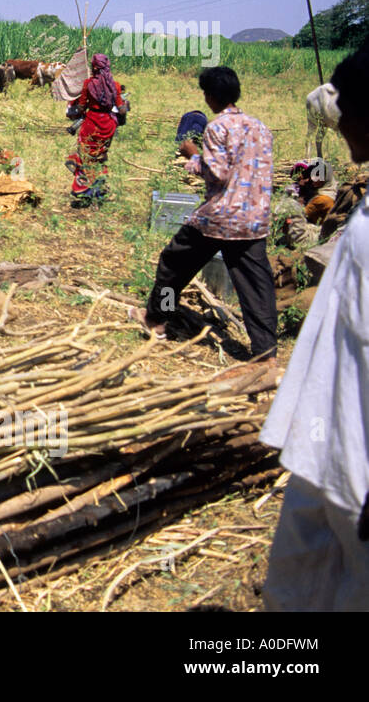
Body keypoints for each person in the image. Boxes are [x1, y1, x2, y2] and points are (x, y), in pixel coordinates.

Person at [260, 43, 369, 610]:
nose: (338, 117)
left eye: (347, 106)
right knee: (296, 589)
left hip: (360, 466)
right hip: (323, 444)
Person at [137, 67, 277, 364]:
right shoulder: (260, 127)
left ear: (210, 96)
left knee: (173, 264)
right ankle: (267, 356)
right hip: (254, 220)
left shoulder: (216, 128)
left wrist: (192, 156)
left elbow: (218, 172)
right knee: (257, 288)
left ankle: (157, 321)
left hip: (220, 217)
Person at [64, 52, 125, 206]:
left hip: (92, 124)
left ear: (94, 67)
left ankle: (84, 191)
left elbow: (81, 107)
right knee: (100, 156)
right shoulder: (115, 85)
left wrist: (74, 107)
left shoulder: (88, 84)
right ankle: (100, 190)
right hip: (108, 125)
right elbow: (122, 109)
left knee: (85, 157)